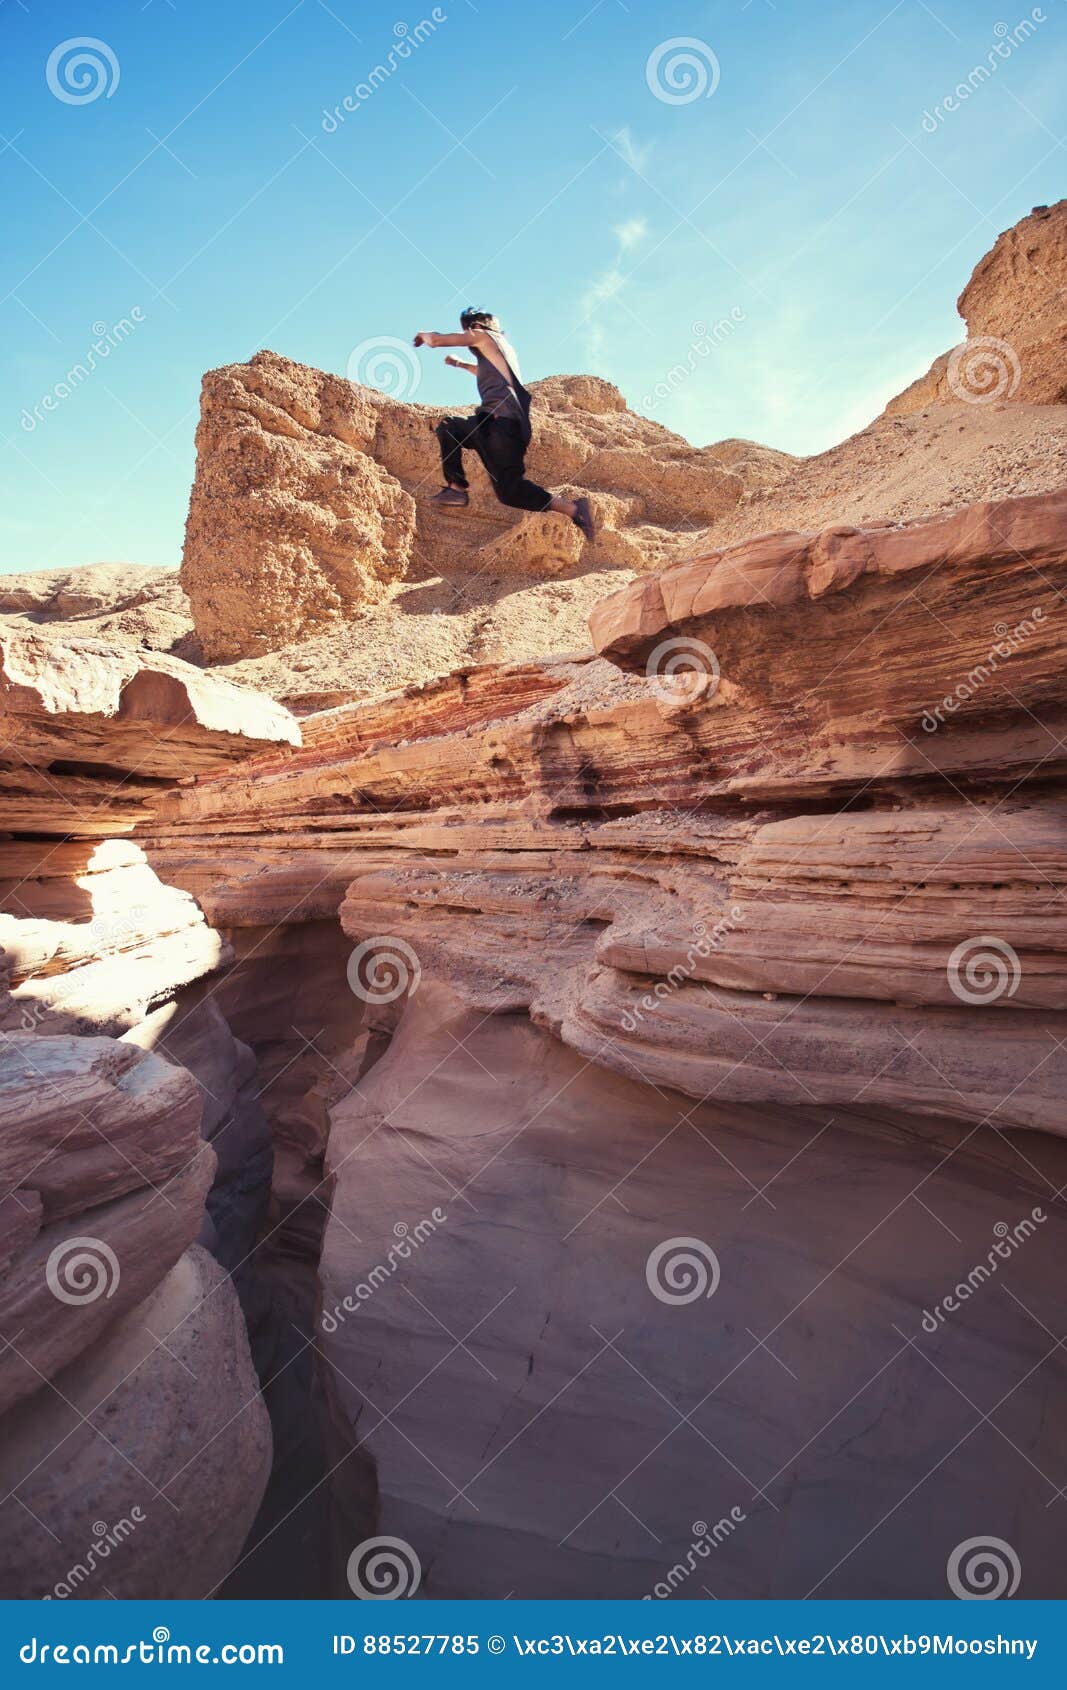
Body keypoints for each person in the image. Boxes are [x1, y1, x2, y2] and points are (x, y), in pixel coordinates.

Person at [412, 309, 595, 543]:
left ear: (476, 326)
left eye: (469, 331)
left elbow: (437, 340)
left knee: (449, 426)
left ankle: (456, 488)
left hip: (498, 423)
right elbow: (484, 372)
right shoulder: (500, 351)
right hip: (508, 428)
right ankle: (573, 510)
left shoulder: (482, 335)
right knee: (510, 492)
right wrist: (460, 365)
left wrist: (423, 335)